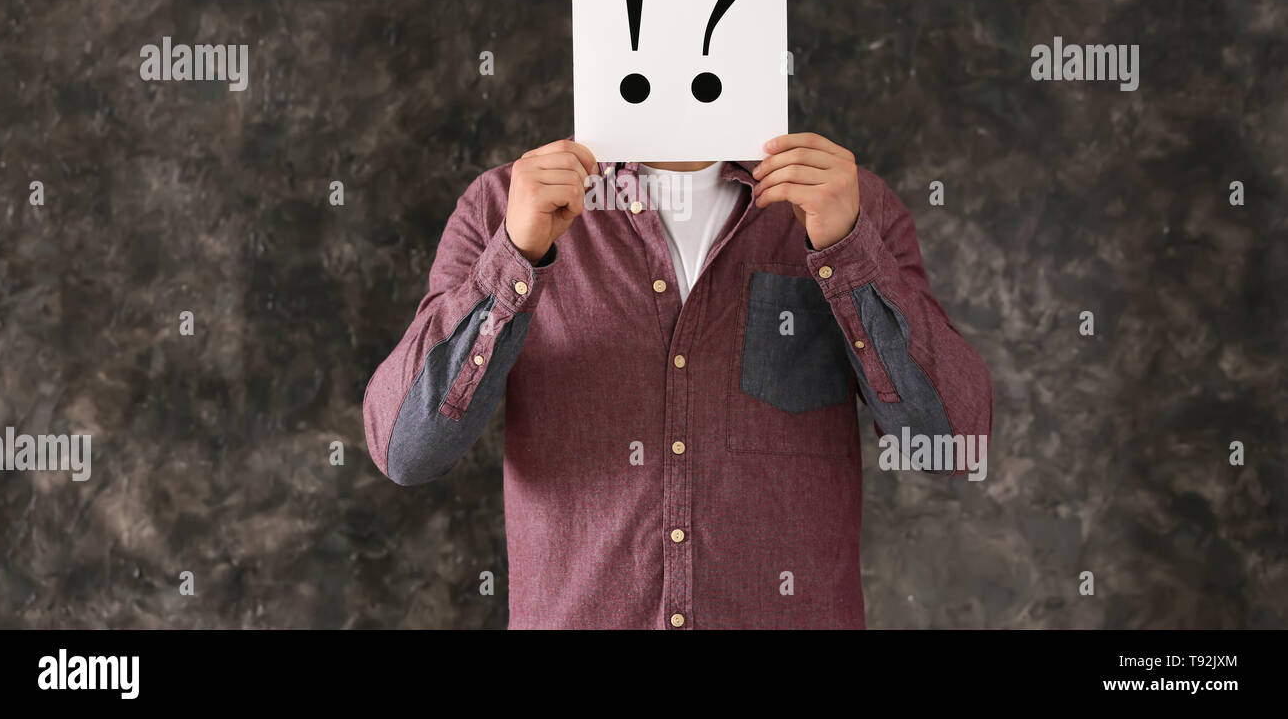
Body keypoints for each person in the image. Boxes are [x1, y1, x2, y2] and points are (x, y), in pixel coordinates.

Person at [363, 132, 993, 628]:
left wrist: (850, 253)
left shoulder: (851, 204)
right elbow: (406, 451)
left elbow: (953, 446)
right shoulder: (505, 206)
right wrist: (515, 261)